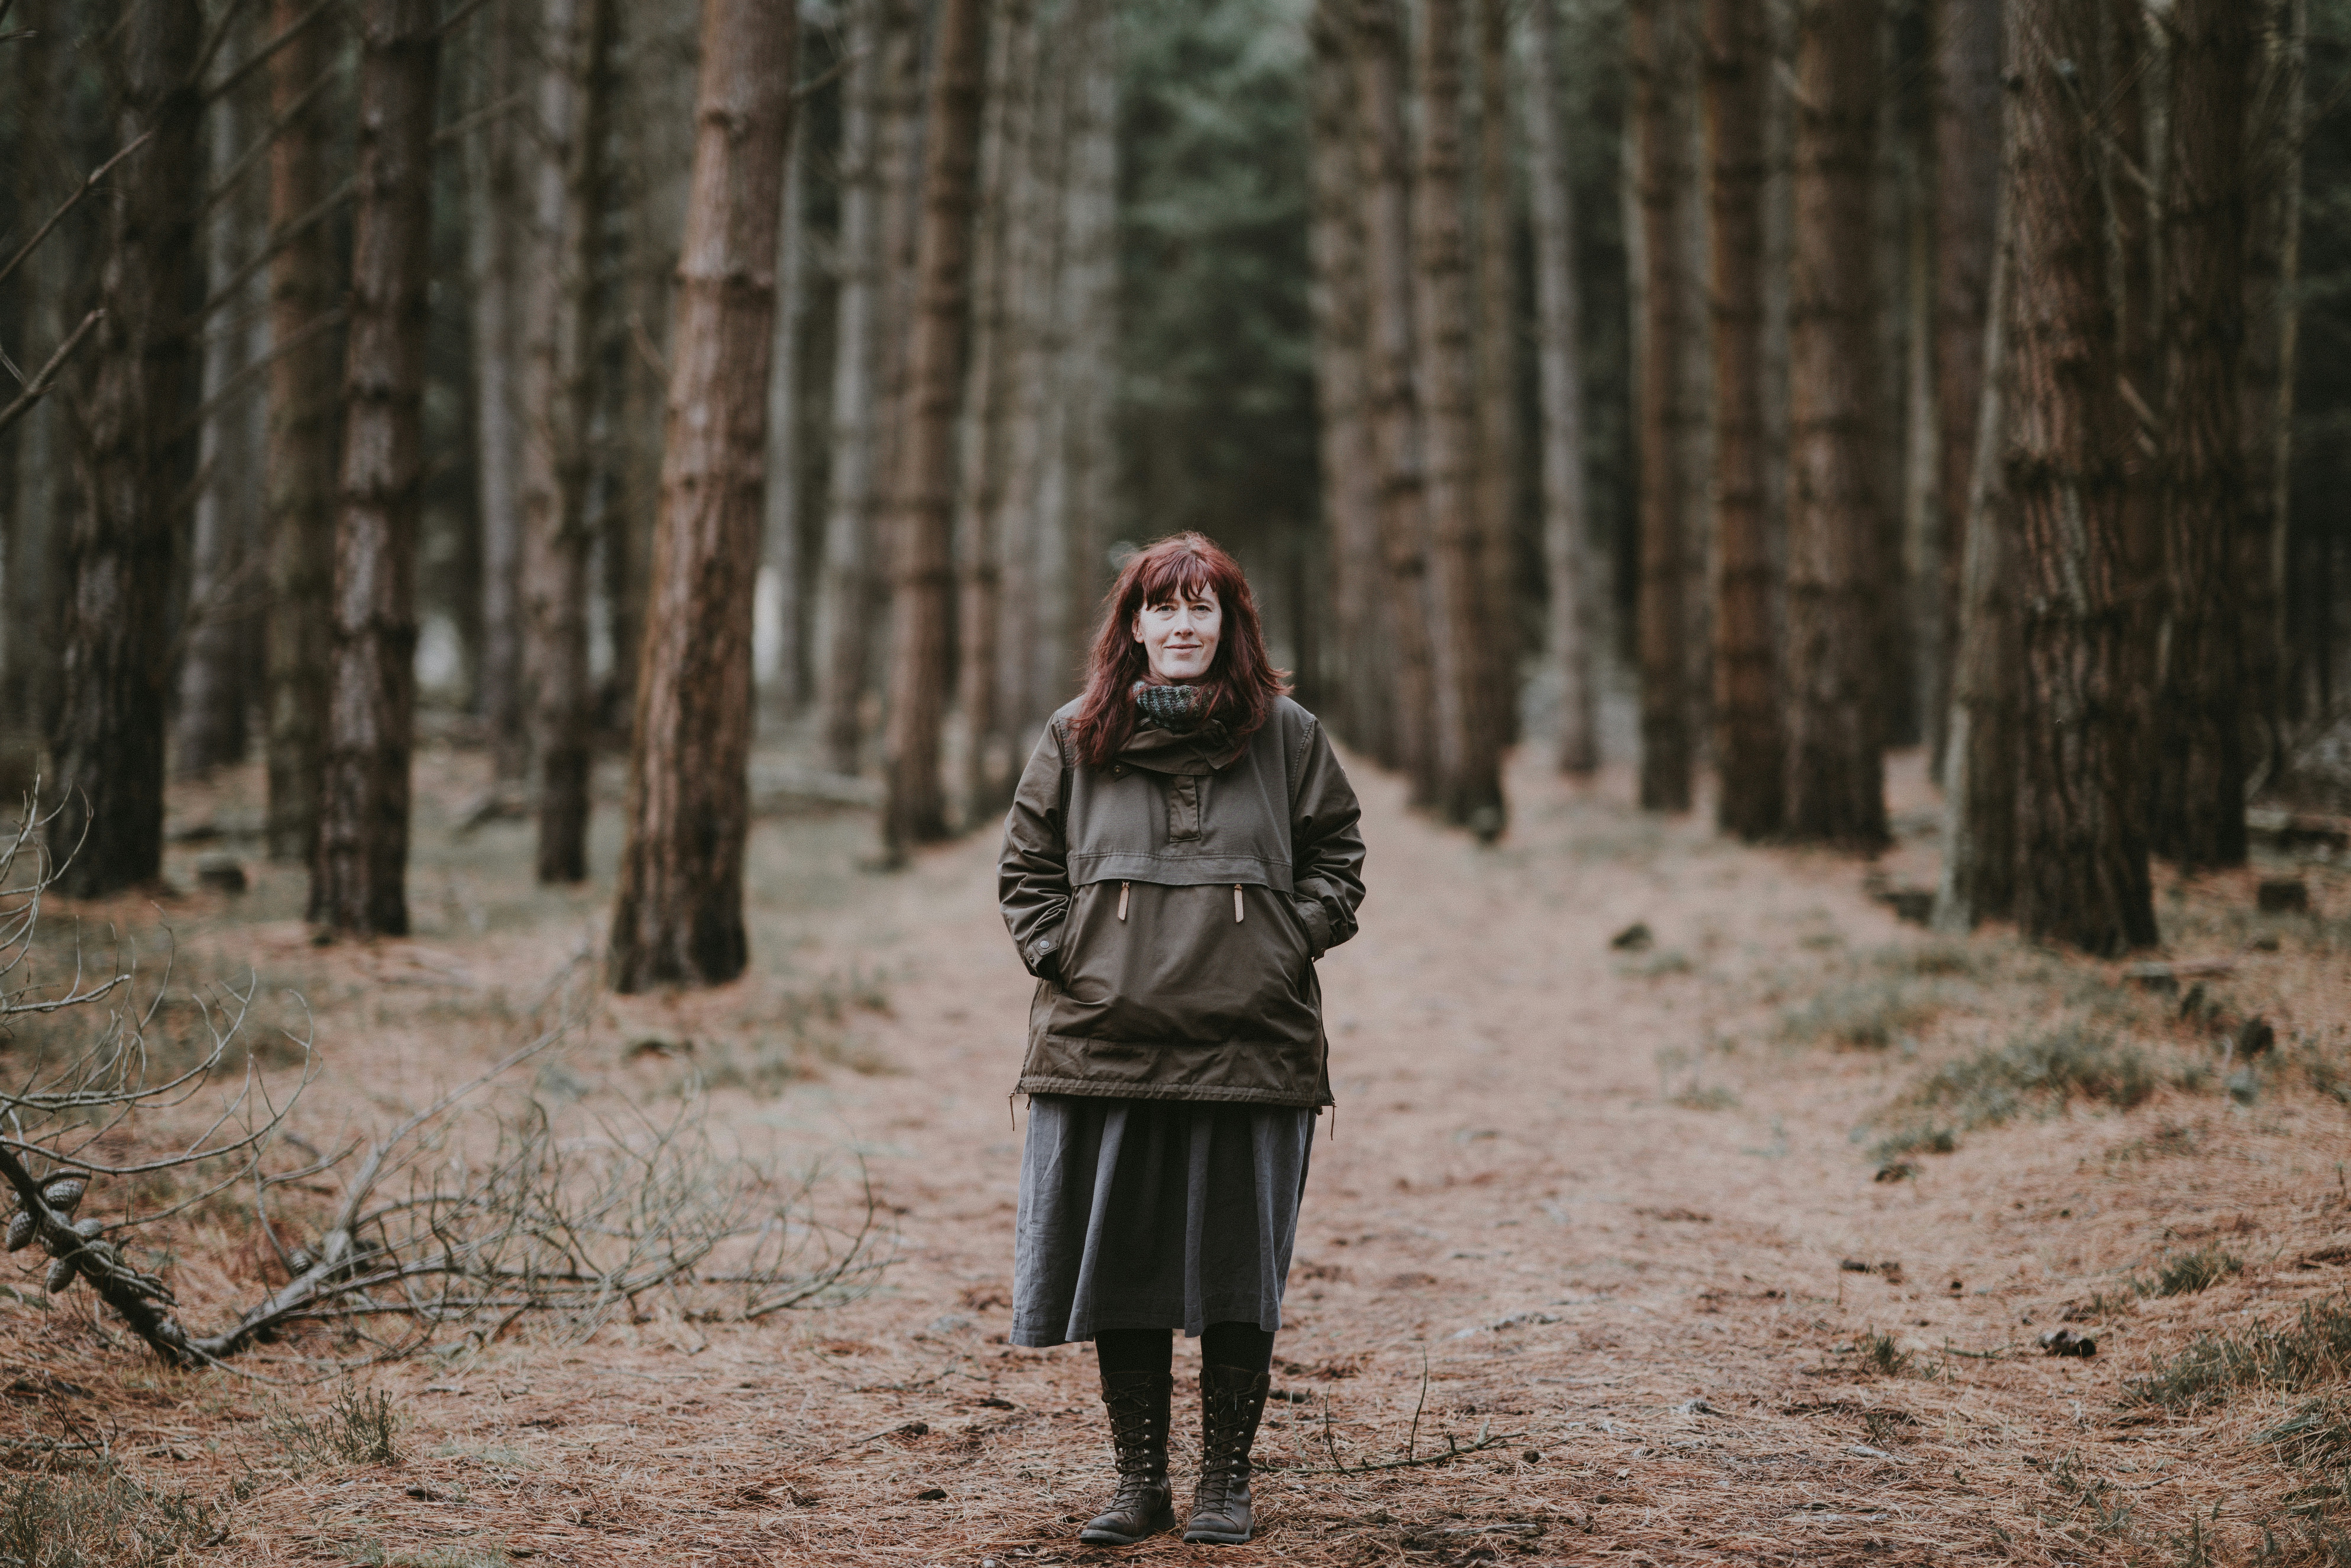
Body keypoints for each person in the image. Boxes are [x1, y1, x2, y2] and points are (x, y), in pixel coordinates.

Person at [997, 532, 1367, 1546]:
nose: (1183, 627)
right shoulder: (1076, 735)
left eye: (1202, 609)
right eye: (1163, 609)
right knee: (1128, 1259)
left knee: (1240, 1268)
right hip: (1102, 1045)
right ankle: (1141, 1482)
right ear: (1134, 626)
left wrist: (1291, 941)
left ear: (1230, 624)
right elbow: (1026, 869)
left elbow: (1339, 853)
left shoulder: (1287, 734)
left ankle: (1225, 1483)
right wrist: (1066, 954)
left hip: (1253, 1043)